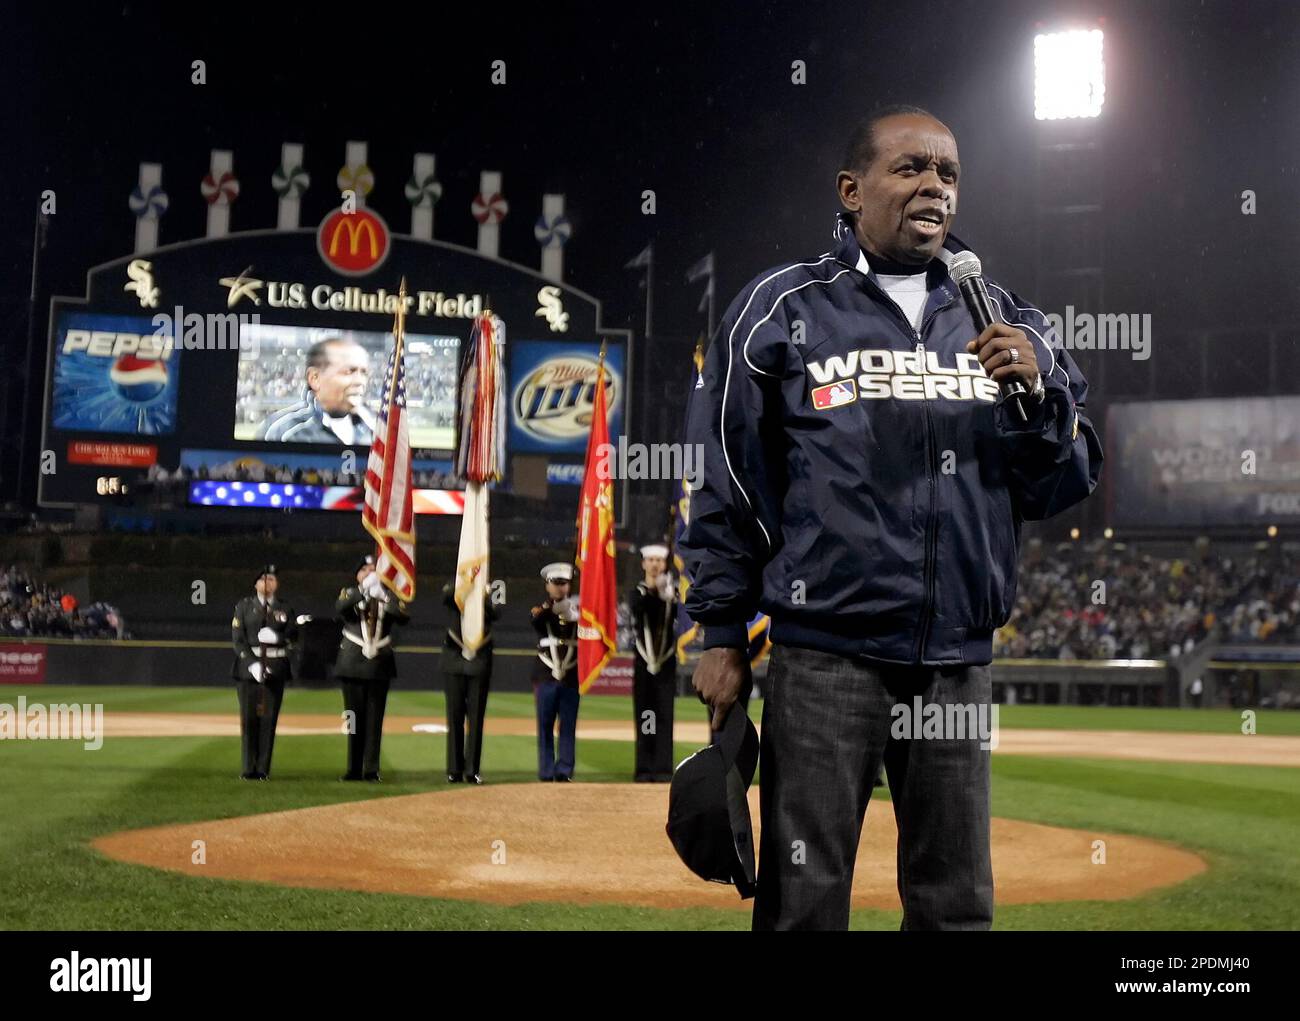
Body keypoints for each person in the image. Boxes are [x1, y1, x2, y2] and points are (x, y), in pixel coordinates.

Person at [680, 105, 1103, 931]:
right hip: (824, 659)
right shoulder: (780, 309)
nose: (934, 187)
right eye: (910, 168)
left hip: (954, 662)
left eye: (947, 173)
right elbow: (728, 475)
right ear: (851, 190)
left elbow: (1064, 481)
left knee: (956, 905)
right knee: (804, 900)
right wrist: (722, 629)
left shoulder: (1009, 320)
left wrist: (1040, 401)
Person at [335, 554, 410, 782]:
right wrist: (362, 592)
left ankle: (371, 769)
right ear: (357, 575)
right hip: (352, 665)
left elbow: (403, 616)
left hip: (378, 665)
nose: (369, 573)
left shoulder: (388, 594)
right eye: (364, 570)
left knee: (375, 720)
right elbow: (341, 607)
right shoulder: (349, 592)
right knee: (353, 719)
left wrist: (384, 598)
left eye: (372, 569)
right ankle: (353, 768)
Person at [230, 565, 299, 780]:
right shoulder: (243, 606)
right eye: (263, 579)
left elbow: (294, 638)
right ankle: (248, 768)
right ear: (256, 584)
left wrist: (278, 639)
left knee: (268, 720)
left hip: (275, 668)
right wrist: (252, 663)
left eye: (272, 579)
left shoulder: (285, 609)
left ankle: (262, 769)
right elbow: (238, 640)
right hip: (248, 670)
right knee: (249, 719)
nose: (267, 583)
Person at [257, 337, 376, 444]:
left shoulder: (376, 426)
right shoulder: (281, 430)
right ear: (315, 378)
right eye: (349, 372)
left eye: (364, 373)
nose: (360, 381)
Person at [441, 580, 498, 784]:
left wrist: (482, 594)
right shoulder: (457, 582)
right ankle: (454, 769)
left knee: (476, 719)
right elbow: (447, 598)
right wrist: (465, 587)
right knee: (454, 716)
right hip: (454, 659)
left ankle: (472, 770)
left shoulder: (496, 586)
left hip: (479, 659)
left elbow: (497, 612)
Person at [629, 544, 677, 781]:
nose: (656, 565)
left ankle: (664, 768)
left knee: (665, 716)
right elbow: (640, 609)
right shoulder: (637, 592)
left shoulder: (672, 595)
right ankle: (644, 768)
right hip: (644, 662)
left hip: (666, 663)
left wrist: (669, 597)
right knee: (645, 715)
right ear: (643, 564)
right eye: (651, 561)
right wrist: (656, 593)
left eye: (660, 560)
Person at [530, 563, 581, 782]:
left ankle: (565, 770)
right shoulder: (540, 609)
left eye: (565, 583)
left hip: (570, 674)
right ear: (547, 586)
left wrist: (571, 613)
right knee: (545, 725)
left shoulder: (578, 610)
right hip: (546, 674)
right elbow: (538, 621)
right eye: (556, 583)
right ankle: (546, 770)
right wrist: (554, 610)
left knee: (568, 725)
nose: (560, 588)